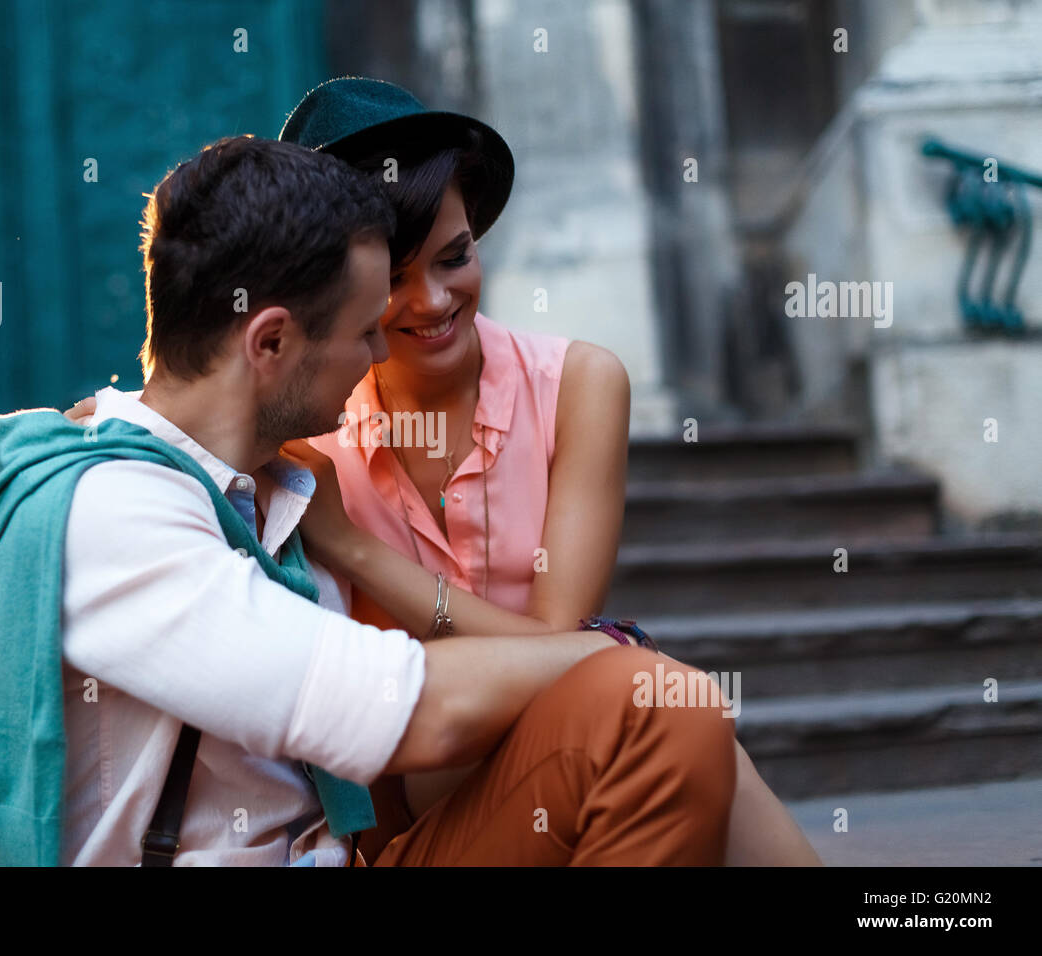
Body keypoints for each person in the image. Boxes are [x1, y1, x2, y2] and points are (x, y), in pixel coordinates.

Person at [0, 133, 739, 867]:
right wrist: (620, 651)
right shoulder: (113, 510)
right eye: (366, 330)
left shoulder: (275, 477)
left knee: (662, 714)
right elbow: (412, 712)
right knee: (655, 699)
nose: (381, 355)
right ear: (270, 344)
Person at [273, 77, 822, 865]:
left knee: (662, 715)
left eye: (455, 257)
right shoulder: (307, 432)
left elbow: (562, 649)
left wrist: (356, 550)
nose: (432, 300)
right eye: (394, 277)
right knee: (662, 709)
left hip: (574, 741)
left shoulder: (580, 385)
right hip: (407, 819)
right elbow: (182, 402)